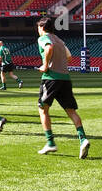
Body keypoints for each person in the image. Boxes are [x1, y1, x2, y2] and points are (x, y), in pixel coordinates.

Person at [35, 16, 90, 158]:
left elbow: (49, 48)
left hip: (51, 78)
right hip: (65, 78)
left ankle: (50, 142)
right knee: (71, 111)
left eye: (38, 28)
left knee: (42, 109)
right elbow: (69, 57)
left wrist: (46, 65)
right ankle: (83, 139)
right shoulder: (60, 40)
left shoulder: (43, 38)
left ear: (42, 28)